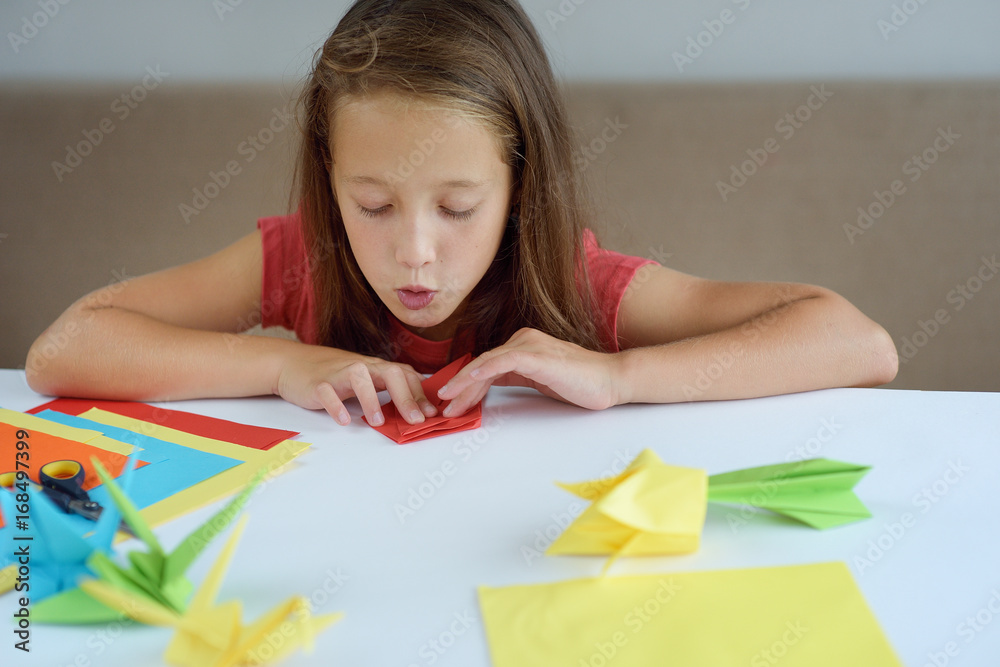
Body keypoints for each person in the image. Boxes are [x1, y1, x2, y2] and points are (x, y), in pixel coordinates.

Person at [26, 0, 898, 429]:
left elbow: (857, 342)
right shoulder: (302, 260)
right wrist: (287, 368)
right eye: (372, 204)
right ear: (329, 184)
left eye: (457, 207)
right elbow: (65, 348)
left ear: (520, 186)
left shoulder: (572, 283)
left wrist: (622, 377)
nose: (414, 254)